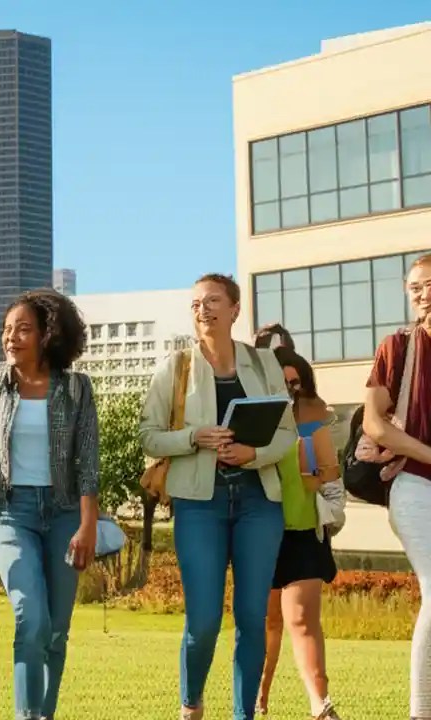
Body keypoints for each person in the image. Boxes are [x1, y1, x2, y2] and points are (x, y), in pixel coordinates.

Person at [140, 274, 296, 720]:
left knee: (252, 618)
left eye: (212, 300)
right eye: (194, 303)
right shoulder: (177, 367)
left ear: (234, 309)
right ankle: (192, 704)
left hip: (258, 502)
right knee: (204, 621)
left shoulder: (264, 364)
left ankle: (244, 714)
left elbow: (286, 432)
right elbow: (149, 437)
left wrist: (254, 452)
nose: (202, 309)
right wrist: (194, 437)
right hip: (198, 503)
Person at [0, 289, 100, 720]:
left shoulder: (76, 388)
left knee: (57, 632)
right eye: (7, 329)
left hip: (66, 513)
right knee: (31, 618)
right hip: (12, 513)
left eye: (23, 329)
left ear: (49, 334)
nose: (11, 337)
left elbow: (88, 462)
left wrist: (88, 525)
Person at [252, 325, 344, 720]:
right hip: (261, 532)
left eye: (296, 381)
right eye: (282, 379)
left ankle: (320, 706)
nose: (290, 387)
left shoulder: (313, 420)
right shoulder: (253, 419)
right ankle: (258, 697)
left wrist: (316, 477)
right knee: (268, 623)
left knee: (302, 620)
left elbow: (331, 475)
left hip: (305, 534)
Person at [362, 252, 431, 720]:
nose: (420, 293)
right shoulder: (398, 347)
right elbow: (375, 425)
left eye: (428, 284)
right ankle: (420, 711)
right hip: (415, 485)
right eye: (414, 287)